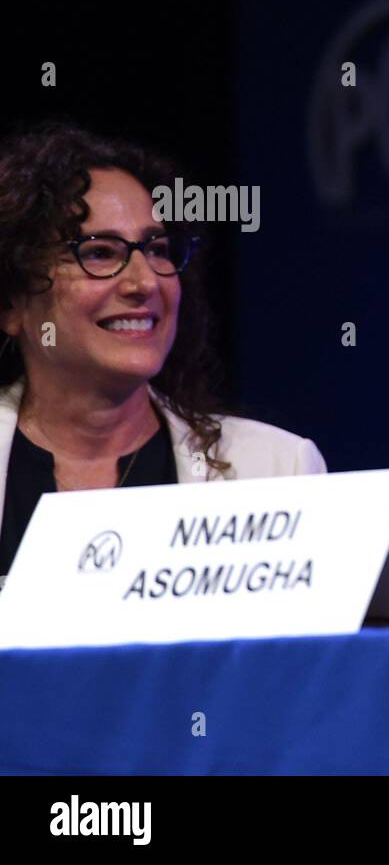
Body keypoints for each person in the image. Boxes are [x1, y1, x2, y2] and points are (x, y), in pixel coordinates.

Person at [0, 122, 325, 577]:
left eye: (157, 249)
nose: (145, 282)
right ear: (12, 303)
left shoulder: (275, 470)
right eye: (100, 253)